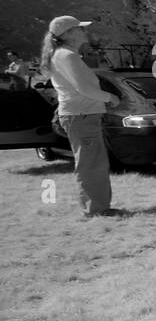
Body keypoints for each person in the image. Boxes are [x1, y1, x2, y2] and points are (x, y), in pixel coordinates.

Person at [40, 16, 120, 216]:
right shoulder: (68, 56)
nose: (84, 32)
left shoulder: (63, 54)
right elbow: (83, 88)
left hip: (80, 115)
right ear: (68, 34)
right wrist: (109, 97)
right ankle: (96, 209)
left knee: (93, 161)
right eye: (79, 29)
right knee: (91, 163)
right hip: (82, 115)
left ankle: (97, 207)